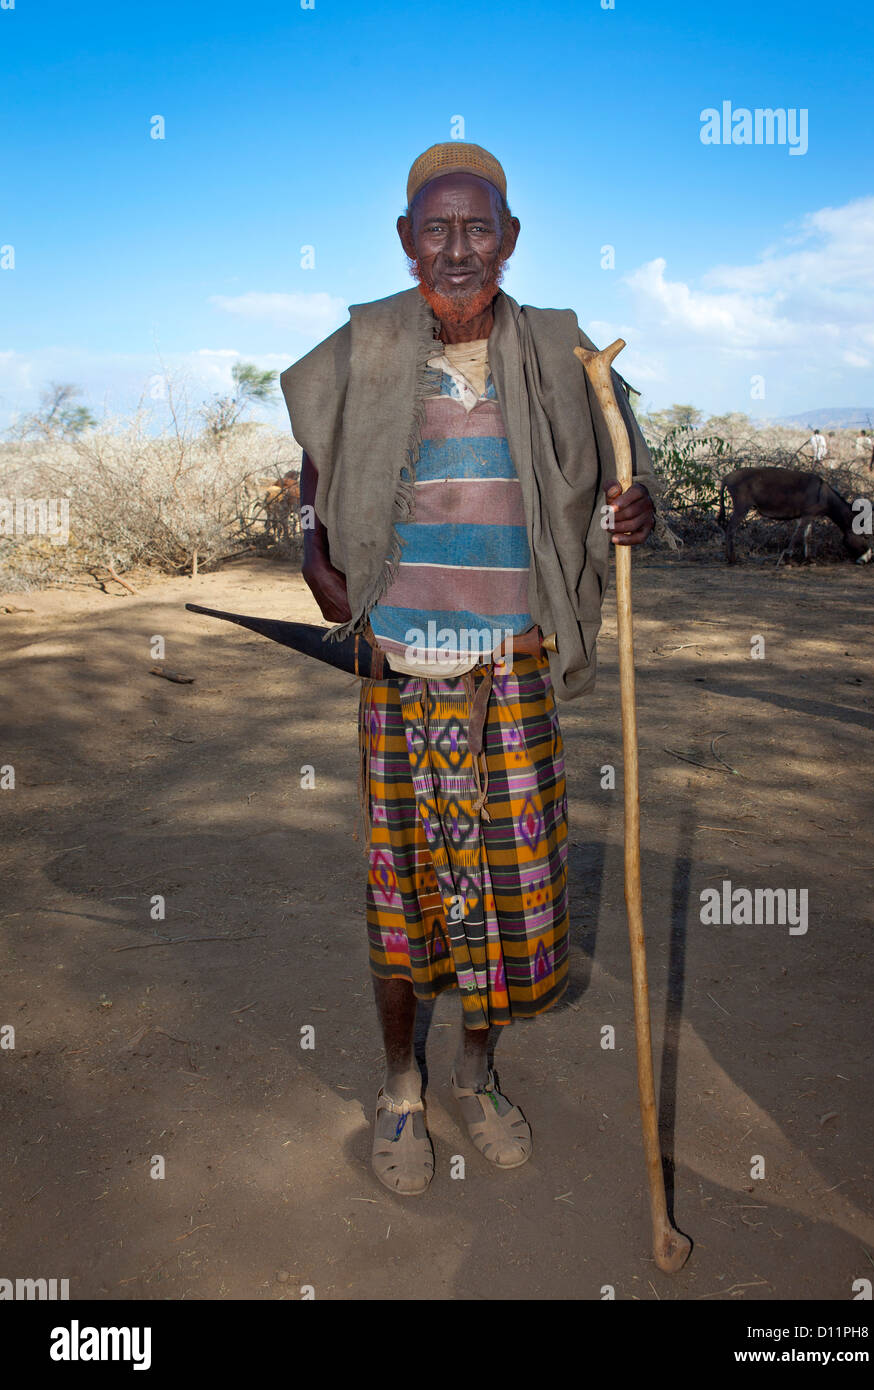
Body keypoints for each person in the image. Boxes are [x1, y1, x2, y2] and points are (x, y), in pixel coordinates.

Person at [280, 142, 658, 1195]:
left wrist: (636, 508)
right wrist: (312, 548)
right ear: (407, 243)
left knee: (501, 889)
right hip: (401, 664)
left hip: (512, 663)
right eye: (435, 229)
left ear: (510, 238)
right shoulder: (364, 345)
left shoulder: (559, 348)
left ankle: (478, 1071)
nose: (457, 248)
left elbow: (624, 459)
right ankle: (402, 1087)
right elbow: (315, 456)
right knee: (404, 895)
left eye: (477, 227)